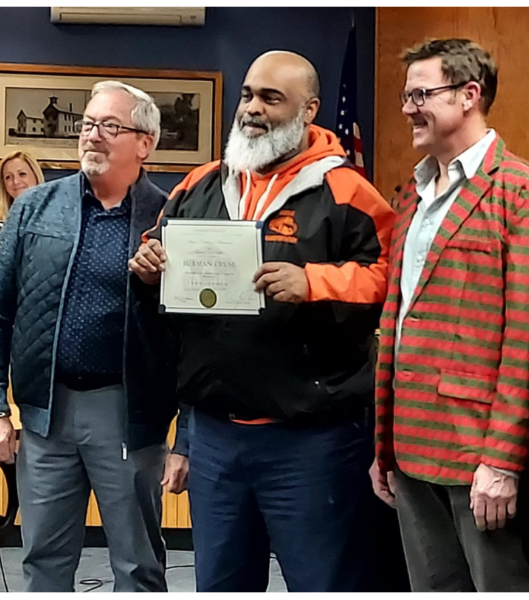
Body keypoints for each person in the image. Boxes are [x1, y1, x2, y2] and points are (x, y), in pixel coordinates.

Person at [130, 51, 395, 592]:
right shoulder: (197, 185)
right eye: (248, 94)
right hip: (214, 437)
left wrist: (314, 282)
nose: (252, 108)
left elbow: (391, 280)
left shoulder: (348, 193)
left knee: (325, 583)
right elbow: (157, 253)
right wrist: (148, 268)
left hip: (311, 441)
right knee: (221, 585)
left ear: (310, 109)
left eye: (271, 98)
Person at [0, 80, 190, 592]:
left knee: (138, 564)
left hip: (128, 414)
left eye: (110, 126)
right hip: (46, 412)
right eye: (88, 124)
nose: (93, 135)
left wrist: (188, 438)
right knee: (43, 561)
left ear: (145, 144)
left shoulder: (171, 218)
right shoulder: (33, 209)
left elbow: (193, 334)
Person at [370, 38, 529, 593]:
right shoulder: (412, 194)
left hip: (478, 455)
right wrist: (383, 445)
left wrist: (501, 459)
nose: (408, 107)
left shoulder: (523, 190)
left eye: (420, 94)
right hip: (408, 444)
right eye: (407, 95)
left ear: (469, 95)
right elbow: (398, 319)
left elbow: (525, 337)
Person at [0, 150, 45, 220]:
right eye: (8, 177)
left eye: (22, 174)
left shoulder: (54, 209)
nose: (15, 181)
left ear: (36, 176)